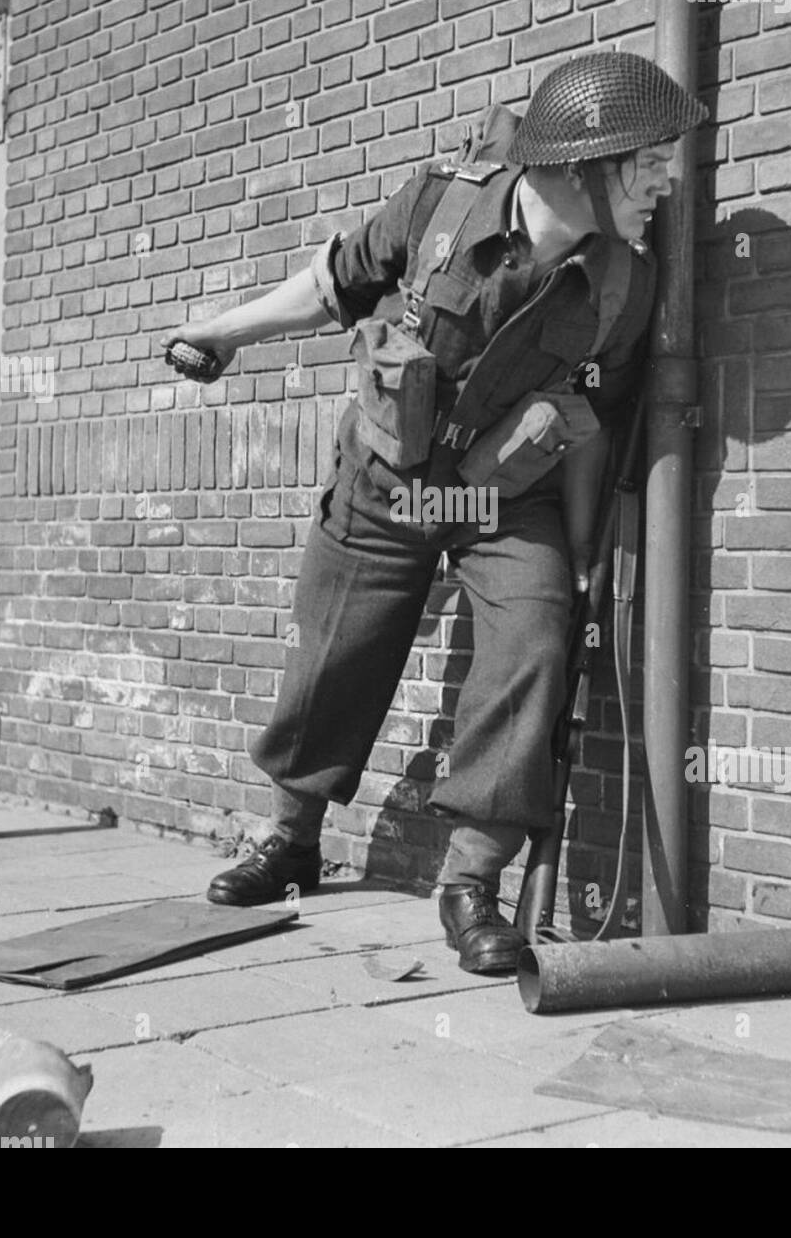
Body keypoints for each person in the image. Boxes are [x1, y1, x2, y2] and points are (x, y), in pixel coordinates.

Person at [159, 51, 707, 974]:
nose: (664, 179)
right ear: (583, 165)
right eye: (647, 158)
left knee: (532, 640)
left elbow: (591, 427)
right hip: (389, 476)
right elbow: (333, 284)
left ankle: (469, 885)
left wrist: (576, 563)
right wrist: (220, 331)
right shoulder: (438, 206)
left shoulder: (627, 285)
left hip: (504, 499)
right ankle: (291, 838)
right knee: (335, 650)